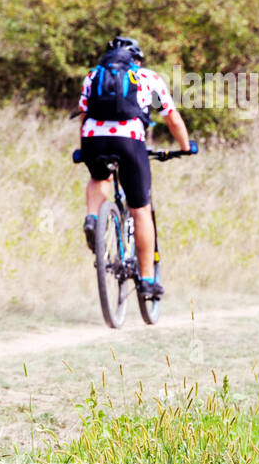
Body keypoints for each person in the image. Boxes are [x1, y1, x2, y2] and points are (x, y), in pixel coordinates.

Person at [78, 36, 192, 299]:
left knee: (99, 178)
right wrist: (185, 147)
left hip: (93, 139)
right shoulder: (148, 77)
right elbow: (171, 117)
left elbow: (84, 115)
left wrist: (83, 148)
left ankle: (93, 217)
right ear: (137, 59)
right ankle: (147, 281)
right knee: (141, 209)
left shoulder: (92, 76)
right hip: (129, 141)